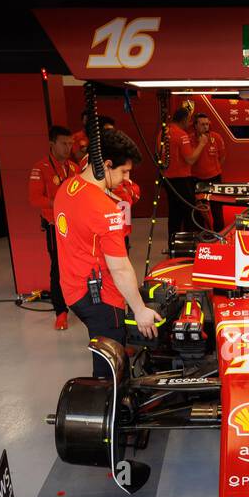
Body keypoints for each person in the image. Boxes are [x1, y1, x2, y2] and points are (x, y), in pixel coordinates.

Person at [55, 129, 162, 379]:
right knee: (111, 369)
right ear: (106, 164)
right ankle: (111, 411)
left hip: (73, 290)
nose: (126, 179)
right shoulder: (104, 209)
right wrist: (140, 310)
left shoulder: (68, 186)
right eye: (124, 172)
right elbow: (120, 268)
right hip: (101, 300)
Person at [30, 125, 79, 330]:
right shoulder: (40, 168)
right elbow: (34, 199)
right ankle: (60, 312)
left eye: (70, 144)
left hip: (76, 227)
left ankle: (80, 303)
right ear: (52, 144)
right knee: (57, 269)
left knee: (78, 266)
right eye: (63, 143)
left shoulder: (74, 168)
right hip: (54, 227)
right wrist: (59, 201)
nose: (68, 148)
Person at [162, 107, 205, 243]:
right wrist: (202, 144)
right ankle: (189, 244)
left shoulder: (163, 133)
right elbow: (190, 159)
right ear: (184, 120)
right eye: (189, 120)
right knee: (188, 213)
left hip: (168, 179)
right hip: (182, 180)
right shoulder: (181, 135)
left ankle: (173, 244)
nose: (189, 123)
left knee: (174, 214)